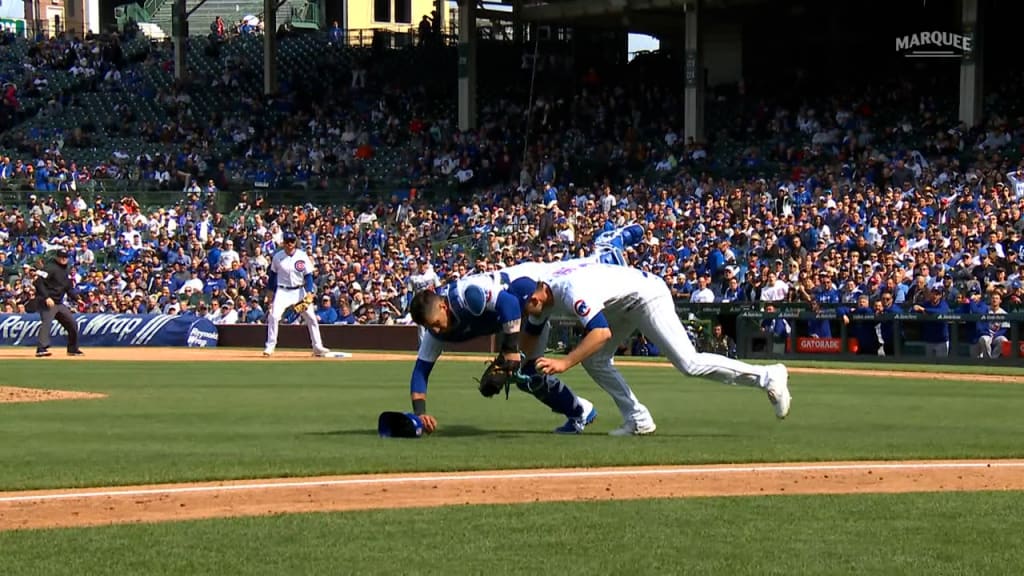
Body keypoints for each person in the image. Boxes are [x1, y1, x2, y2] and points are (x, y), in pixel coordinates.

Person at [507, 263, 792, 433]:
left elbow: (601, 333)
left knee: (688, 363)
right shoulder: (541, 296)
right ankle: (638, 419)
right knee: (595, 361)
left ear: (538, 290)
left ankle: (769, 375)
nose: (530, 308)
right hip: (620, 302)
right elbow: (530, 336)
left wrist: (565, 362)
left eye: (530, 302)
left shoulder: (569, 290)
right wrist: (514, 360)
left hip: (646, 296)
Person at [407, 262, 599, 435]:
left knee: (528, 372)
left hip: (536, 292)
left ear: (443, 306)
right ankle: (579, 411)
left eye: (436, 323)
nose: (435, 330)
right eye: (429, 327)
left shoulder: (468, 296)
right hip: (521, 314)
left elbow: (509, 303)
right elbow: (421, 371)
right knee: (527, 375)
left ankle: (580, 411)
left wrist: (510, 349)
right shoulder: (437, 330)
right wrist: (420, 413)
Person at [263, 231, 330, 357]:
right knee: (273, 316)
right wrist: (270, 294)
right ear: (283, 243)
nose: (290, 244)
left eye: (292, 242)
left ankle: (317, 347)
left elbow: (308, 276)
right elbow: (272, 277)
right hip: (282, 291)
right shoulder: (278, 257)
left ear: (295, 242)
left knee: (311, 318)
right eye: (287, 242)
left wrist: (309, 292)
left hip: (299, 290)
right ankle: (270, 346)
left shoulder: (302, 255)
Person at [33, 250, 83, 357]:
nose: (64, 259)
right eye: (61, 257)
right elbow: (38, 282)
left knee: (72, 324)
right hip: (47, 302)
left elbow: (68, 288)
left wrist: (76, 299)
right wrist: (46, 297)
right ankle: (41, 349)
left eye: (66, 257)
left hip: (59, 303)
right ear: (57, 257)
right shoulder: (49, 267)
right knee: (46, 324)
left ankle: (72, 349)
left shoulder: (66, 270)